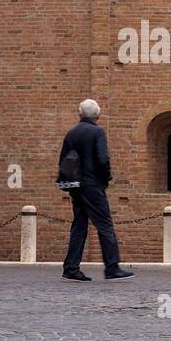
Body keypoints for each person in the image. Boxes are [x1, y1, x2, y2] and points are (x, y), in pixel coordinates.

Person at [59, 99, 134, 281]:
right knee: (105, 225)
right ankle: (112, 267)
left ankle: (71, 268)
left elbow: (63, 160)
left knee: (79, 225)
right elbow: (102, 159)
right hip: (92, 186)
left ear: (80, 114)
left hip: (75, 186)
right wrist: (106, 178)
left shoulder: (71, 133)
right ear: (98, 115)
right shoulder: (97, 132)